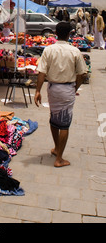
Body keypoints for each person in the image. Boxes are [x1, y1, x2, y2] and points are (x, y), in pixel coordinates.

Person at [34, 22, 87, 168]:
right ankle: (59, 158)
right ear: (69, 34)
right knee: (64, 124)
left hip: (52, 88)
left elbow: (41, 72)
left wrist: (38, 90)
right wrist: (75, 87)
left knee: (54, 118)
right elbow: (82, 74)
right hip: (67, 88)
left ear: (55, 33)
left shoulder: (49, 50)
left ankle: (57, 148)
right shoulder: (74, 51)